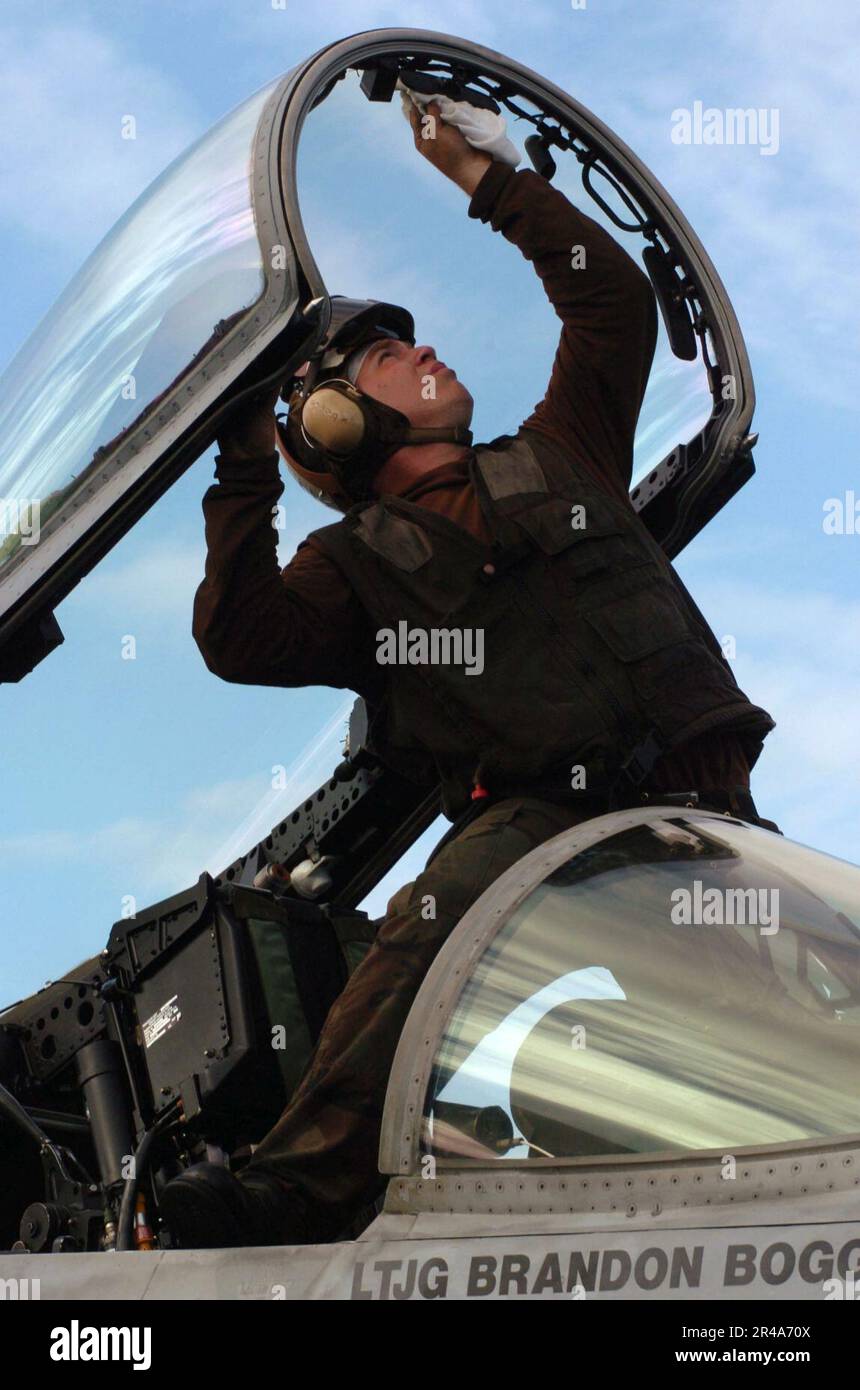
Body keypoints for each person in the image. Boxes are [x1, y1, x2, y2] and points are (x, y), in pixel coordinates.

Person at [160, 102, 775, 1248]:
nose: (427, 351)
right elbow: (238, 637)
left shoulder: (563, 448)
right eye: (393, 356)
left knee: (803, 1025)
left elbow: (611, 298)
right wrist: (240, 458)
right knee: (418, 941)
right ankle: (294, 1191)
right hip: (537, 827)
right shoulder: (348, 567)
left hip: (705, 817)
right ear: (335, 423)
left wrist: (485, 179)